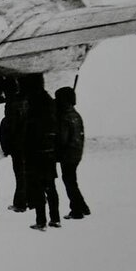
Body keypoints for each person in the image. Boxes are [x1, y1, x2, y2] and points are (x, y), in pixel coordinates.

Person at [24, 78, 61, 231]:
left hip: (36, 154)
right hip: (49, 153)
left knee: (38, 188)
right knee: (51, 187)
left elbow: (29, 133)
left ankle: (41, 221)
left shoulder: (34, 106)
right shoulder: (51, 105)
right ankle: (55, 218)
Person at [56, 87, 91, 219]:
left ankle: (77, 209)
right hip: (76, 153)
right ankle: (82, 206)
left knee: (69, 181)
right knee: (71, 180)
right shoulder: (75, 115)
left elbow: (62, 138)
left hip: (68, 155)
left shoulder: (65, 117)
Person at [0, 78, 29, 213]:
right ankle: (34, 199)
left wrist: (7, 147)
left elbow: (9, 127)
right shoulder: (26, 102)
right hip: (27, 144)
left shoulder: (11, 105)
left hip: (17, 145)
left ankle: (20, 203)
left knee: (20, 175)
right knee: (28, 173)